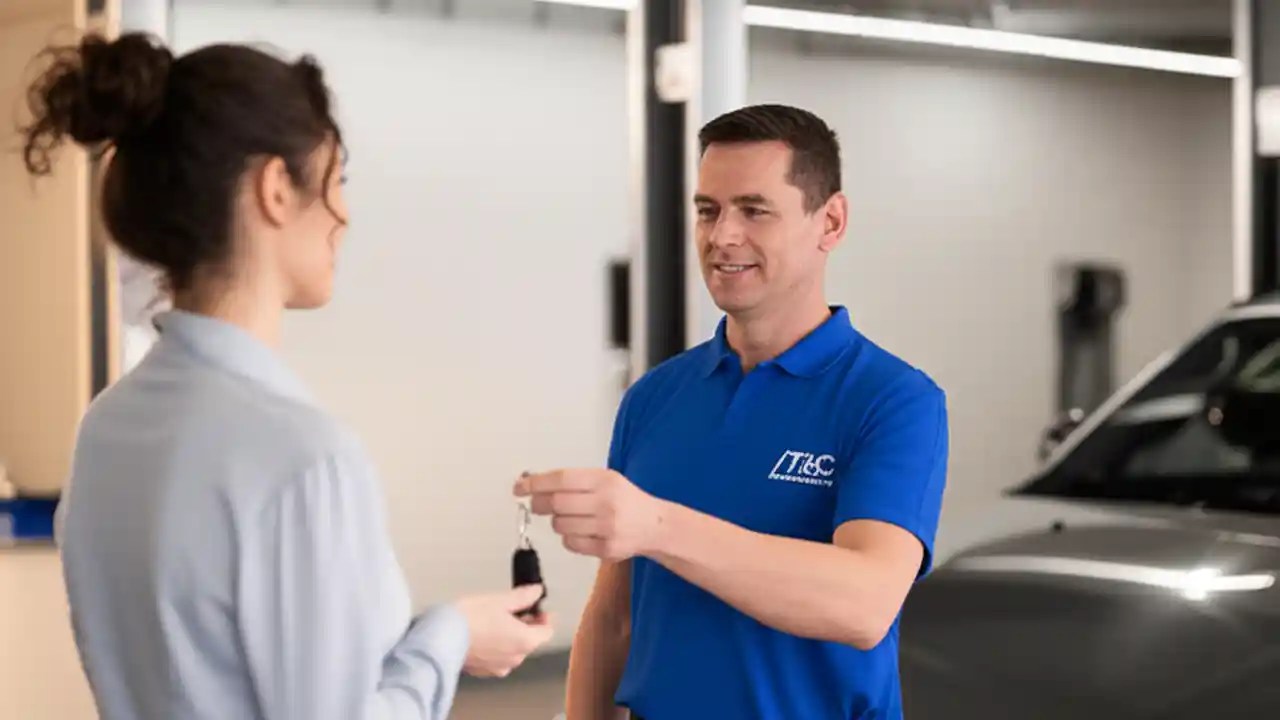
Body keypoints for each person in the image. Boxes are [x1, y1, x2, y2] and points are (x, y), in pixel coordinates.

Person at [23, 32, 553, 720]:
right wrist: (447, 638)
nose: (346, 215)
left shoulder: (106, 428)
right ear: (276, 188)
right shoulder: (301, 456)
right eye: (337, 181)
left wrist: (440, 638)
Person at [516, 104, 949, 719]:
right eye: (708, 210)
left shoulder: (894, 401)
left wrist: (656, 527)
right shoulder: (655, 397)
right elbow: (615, 618)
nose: (722, 236)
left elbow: (864, 604)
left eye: (754, 210)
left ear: (830, 221)